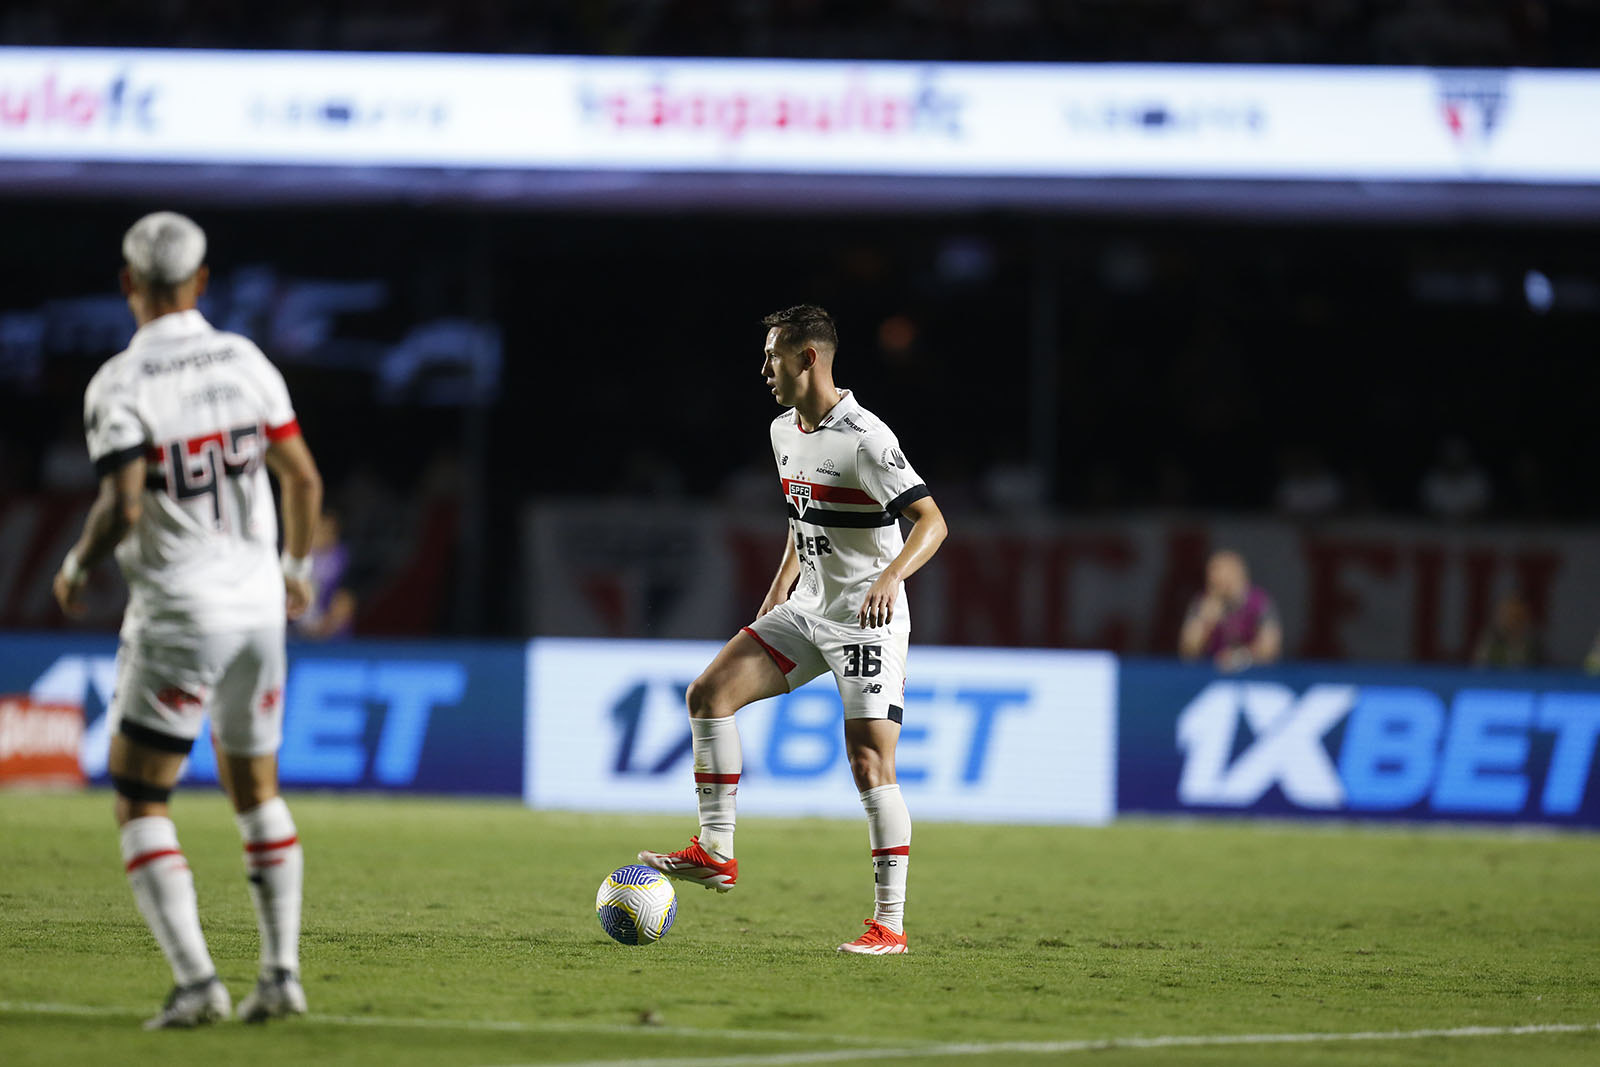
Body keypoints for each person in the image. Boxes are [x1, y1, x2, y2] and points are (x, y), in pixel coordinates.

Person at [53, 212, 322, 1028]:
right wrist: (297, 571)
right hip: (258, 610)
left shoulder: (120, 384)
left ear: (128, 283)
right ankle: (280, 975)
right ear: (202, 282)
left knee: (141, 797)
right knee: (257, 792)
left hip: (180, 615)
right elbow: (303, 482)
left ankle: (198, 983)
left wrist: (76, 565)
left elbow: (123, 503)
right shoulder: (247, 361)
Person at [639, 305, 947, 956]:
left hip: (868, 620)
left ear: (809, 358)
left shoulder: (866, 436)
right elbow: (801, 519)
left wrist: (891, 577)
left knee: (870, 763)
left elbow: (932, 522)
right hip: (807, 609)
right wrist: (778, 592)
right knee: (708, 694)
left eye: (773, 354)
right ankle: (716, 849)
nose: (764, 368)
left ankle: (889, 926)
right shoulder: (784, 430)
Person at [1178, 549, 1282, 672]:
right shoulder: (1203, 603)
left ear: (1239, 574)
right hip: (1209, 675)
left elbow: (1270, 648)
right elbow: (1187, 651)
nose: (1215, 579)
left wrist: (1239, 657)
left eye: (1222, 572)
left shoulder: (1259, 602)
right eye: (1212, 573)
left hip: (1253, 675)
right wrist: (1205, 621)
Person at [1473, 591, 1544, 669]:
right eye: (1507, 615)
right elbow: (1479, 671)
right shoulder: (1490, 645)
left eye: (1517, 616)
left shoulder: (1536, 647)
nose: (1512, 621)